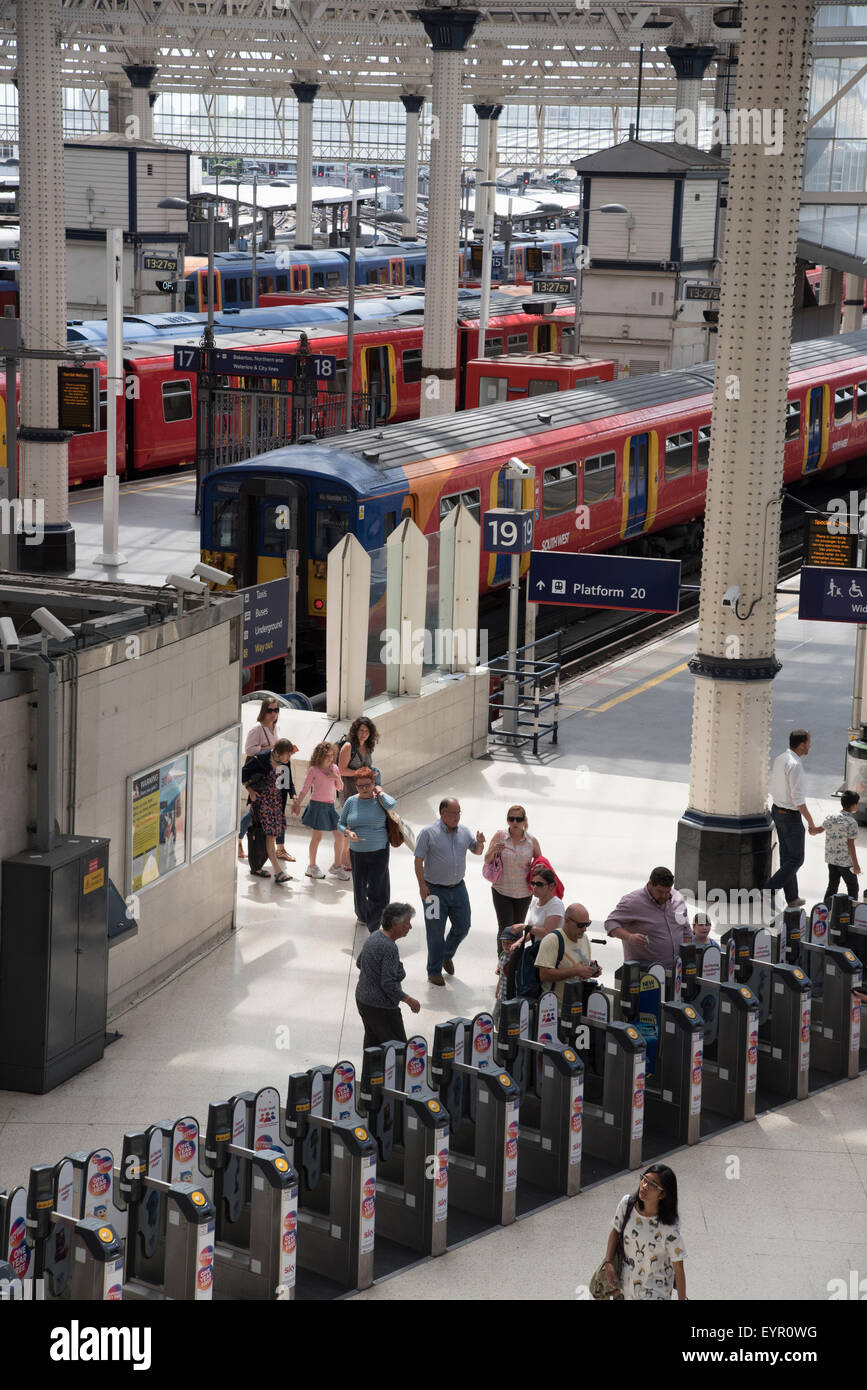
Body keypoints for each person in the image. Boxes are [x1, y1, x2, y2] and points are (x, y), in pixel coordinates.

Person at [414, 798, 485, 986]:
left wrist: (480, 844)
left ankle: (446, 955)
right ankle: (434, 970)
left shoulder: (464, 832)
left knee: (463, 925)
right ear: (442, 813)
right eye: (453, 813)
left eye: (459, 812)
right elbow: (418, 860)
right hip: (433, 891)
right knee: (435, 931)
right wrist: (422, 886)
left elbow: (476, 852)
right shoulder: (428, 833)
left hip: (458, 888)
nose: (457, 817)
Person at [602, 1166, 687, 1301]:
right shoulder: (627, 1205)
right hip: (625, 1287)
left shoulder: (669, 1228)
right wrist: (608, 1262)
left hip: (655, 1292)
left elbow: (679, 1269)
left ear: (663, 1194)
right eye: (644, 1179)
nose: (645, 1186)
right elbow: (615, 1232)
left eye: (652, 1184)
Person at [355, 902, 421, 1049]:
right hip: (381, 1007)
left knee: (373, 1046)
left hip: (363, 1000)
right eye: (407, 923)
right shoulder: (390, 947)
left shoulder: (374, 936)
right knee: (397, 1049)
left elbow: (360, 963)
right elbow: (388, 984)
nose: (409, 927)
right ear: (394, 924)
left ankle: (370, 1072)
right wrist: (409, 1000)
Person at [238, 699, 297, 864]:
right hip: (262, 777)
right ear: (264, 710)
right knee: (254, 813)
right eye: (270, 710)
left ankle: (281, 848)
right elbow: (249, 750)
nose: (273, 713)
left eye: (276, 710)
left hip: (276, 777)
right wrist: (270, 750)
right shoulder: (257, 729)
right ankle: (238, 839)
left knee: (278, 812)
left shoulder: (275, 727)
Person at [764, 729, 817, 909]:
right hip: (790, 816)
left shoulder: (781, 758)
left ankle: (792, 897)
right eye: (809, 742)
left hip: (777, 811)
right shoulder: (795, 765)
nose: (810, 745)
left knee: (788, 857)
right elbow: (798, 799)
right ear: (802, 744)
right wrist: (811, 822)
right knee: (796, 859)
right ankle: (769, 888)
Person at [339, 767, 396, 932]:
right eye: (360, 786)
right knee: (360, 885)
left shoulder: (379, 800)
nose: (364, 789)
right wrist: (348, 832)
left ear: (373, 783)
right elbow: (341, 823)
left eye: (368, 785)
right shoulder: (351, 801)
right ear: (355, 785)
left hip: (379, 849)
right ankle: (362, 914)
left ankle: (376, 921)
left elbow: (392, 804)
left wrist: (379, 791)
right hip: (357, 850)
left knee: (378, 886)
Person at [604, 867, 692, 969]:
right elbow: (610, 924)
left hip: (676, 972)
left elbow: (686, 930)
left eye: (667, 892)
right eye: (659, 891)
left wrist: (687, 959)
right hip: (645, 974)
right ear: (650, 884)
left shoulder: (678, 898)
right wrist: (629, 937)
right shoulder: (632, 901)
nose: (664, 896)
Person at [484, 805, 541, 954]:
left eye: (519, 819)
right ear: (507, 820)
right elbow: (487, 859)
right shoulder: (500, 836)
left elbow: (540, 865)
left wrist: (539, 885)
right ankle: (502, 961)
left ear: (524, 821)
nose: (515, 822)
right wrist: (493, 850)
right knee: (505, 928)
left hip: (523, 893)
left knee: (517, 930)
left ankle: (514, 961)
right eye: (511, 819)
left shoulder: (531, 841)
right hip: (501, 890)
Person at [241, 738, 296, 883]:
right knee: (270, 836)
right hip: (262, 803)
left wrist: (293, 794)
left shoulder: (285, 762)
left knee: (268, 835)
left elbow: (288, 780)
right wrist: (251, 791)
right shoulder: (261, 759)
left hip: (276, 803)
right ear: (278, 752)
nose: (289, 758)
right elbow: (244, 772)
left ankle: (257, 867)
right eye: (287, 755)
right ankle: (277, 871)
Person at [292, 742, 347, 879]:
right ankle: (311, 866)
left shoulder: (334, 768)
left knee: (340, 835)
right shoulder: (314, 770)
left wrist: (336, 777)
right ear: (319, 756)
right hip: (316, 806)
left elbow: (340, 788)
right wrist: (297, 802)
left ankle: (337, 866)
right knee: (317, 837)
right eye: (327, 756)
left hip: (330, 806)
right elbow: (305, 788)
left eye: (332, 755)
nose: (330, 758)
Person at [536, 902, 601, 1005]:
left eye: (587, 924)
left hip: (578, 1005)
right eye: (580, 925)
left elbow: (579, 963)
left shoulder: (584, 938)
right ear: (566, 920)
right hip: (555, 1009)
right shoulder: (552, 940)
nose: (585, 929)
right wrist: (576, 971)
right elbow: (544, 975)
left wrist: (591, 970)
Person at [813, 790, 861, 904]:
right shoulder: (852, 822)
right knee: (853, 887)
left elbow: (819, 830)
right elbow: (851, 845)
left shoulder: (831, 817)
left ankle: (824, 910)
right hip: (845, 863)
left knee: (832, 886)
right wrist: (856, 865)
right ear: (854, 805)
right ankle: (852, 913)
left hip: (832, 860)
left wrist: (812, 829)